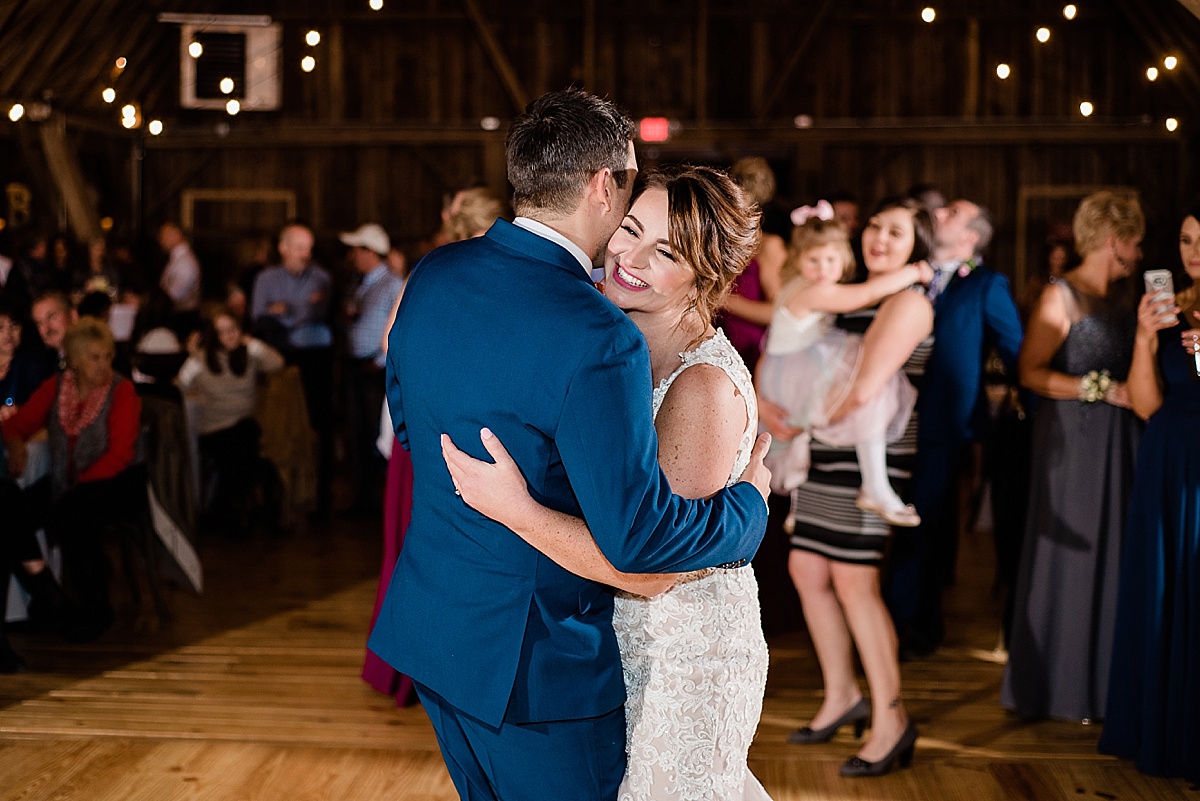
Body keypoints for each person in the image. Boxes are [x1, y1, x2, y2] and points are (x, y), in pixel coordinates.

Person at [366, 89, 770, 801]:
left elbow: (410, 429)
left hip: (444, 636)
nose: (629, 253)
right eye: (631, 222)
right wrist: (750, 508)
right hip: (534, 666)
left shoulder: (436, 272)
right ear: (603, 186)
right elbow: (644, 548)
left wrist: (512, 501)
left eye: (664, 249)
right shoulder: (598, 332)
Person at [766, 197, 934, 777]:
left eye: (897, 233)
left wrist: (796, 418)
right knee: (808, 570)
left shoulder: (908, 300)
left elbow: (862, 390)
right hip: (824, 445)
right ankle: (841, 695)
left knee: (856, 582)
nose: (880, 239)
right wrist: (768, 398)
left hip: (867, 452)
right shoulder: (847, 292)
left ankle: (892, 719)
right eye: (876, 227)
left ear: (917, 247)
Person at [1001, 190, 1142, 723]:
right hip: (1073, 439)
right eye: (1135, 241)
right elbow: (1030, 371)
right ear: (1114, 240)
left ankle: (1104, 685)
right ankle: (1056, 687)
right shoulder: (1060, 296)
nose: (1139, 251)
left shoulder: (1125, 299)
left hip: (1121, 438)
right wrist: (1097, 389)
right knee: (1073, 555)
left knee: (1114, 550)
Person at [361, 187, 506, 706]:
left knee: (427, 547)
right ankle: (424, 671)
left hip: (437, 424)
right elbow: (390, 343)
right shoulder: (452, 273)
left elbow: (393, 345)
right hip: (447, 427)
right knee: (431, 548)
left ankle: (425, 670)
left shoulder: (437, 272)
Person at [887, 198, 1023, 660]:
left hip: (942, 425)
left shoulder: (986, 284)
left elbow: (1017, 351)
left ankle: (913, 626)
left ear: (971, 237)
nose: (940, 212)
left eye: (953, 213)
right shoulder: (905, 272)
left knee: (922, 525)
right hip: (887, 418)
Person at [1097, 206, 1200, 782]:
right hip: (1165, 458)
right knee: (1162, 589)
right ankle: (1158, 729)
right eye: (1186, 240)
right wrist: (1143, 337)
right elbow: (1145, 404)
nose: (1193, 252)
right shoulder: (1170, 307)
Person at [757, 210, 932, 526]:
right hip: (795, 371)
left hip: (782, 371)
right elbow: (866, 294)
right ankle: (875, 485)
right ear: (798, 261)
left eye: (831, 260)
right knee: (877, 390)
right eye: (814, 260)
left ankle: (799, 503)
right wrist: (913, 272)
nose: (823, 269)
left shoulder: (803, 288)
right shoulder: (815, 290)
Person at [2, 317, 143, 643]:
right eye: (94, 358)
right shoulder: (57, 387)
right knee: (12, 512)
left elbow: (120, 454)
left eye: (107, 356)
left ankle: (96, 609)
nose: (103, 365)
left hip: (118, 482)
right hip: (68, 481)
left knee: (73, 512)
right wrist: (15, 443)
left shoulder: (122, 391)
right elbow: (16, 424)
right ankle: (47, 597)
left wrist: (75, 488)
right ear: (75, 360)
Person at [251, 222, 334, 519]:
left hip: (316, 359)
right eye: (299, 248)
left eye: (309, 248)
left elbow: (317, 311)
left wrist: (285, 310)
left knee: (317, 425)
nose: (305, 254)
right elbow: (260, 316)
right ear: (283, 248)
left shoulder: (322, 278)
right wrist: (298, 311)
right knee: (279, 425)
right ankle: (278, 499)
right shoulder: (265, 278)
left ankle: (319, 498)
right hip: (280, 359)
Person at [178, 307, 285, 535]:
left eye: (233, 329)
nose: (229, 336)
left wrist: (253, 344)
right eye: (222, 332)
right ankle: (238, 512)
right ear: (214, 335)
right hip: (214, 430)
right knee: (243, 439)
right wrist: (191, 355)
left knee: (243, 436)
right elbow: (181, 385)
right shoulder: (201, 359)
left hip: (242, 430)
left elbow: (277, 364)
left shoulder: (249, 354)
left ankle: (229, 513)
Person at [339, 223, 404, 517]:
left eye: (356, 250)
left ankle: (380, 501)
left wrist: (377, 361)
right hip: (355, 365)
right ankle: (362, 499)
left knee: (376, 433)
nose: (353, 255)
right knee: (357, 433)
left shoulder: (392, 283)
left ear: (370, 252)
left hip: (376, 370)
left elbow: (397, 327)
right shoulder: (359, 283)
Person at [717, 157, 791, 372]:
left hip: (751, 351)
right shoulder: (718, 243)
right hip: (716, 344)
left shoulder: (768, 245)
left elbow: (779, 313)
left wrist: (721, 299)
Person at [157, 222, 201, 334]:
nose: (161, 240)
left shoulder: (185, 261)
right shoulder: (176, 259)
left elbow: (175, 295)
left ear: (178, 234)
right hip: (177, 316)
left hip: (182, 319)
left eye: (165, 235)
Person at [30, 291, 77, 373]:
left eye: (52, 317)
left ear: (73, 315)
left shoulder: (95, 356)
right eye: (40, 323)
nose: (47, 328)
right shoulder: (43, 368)